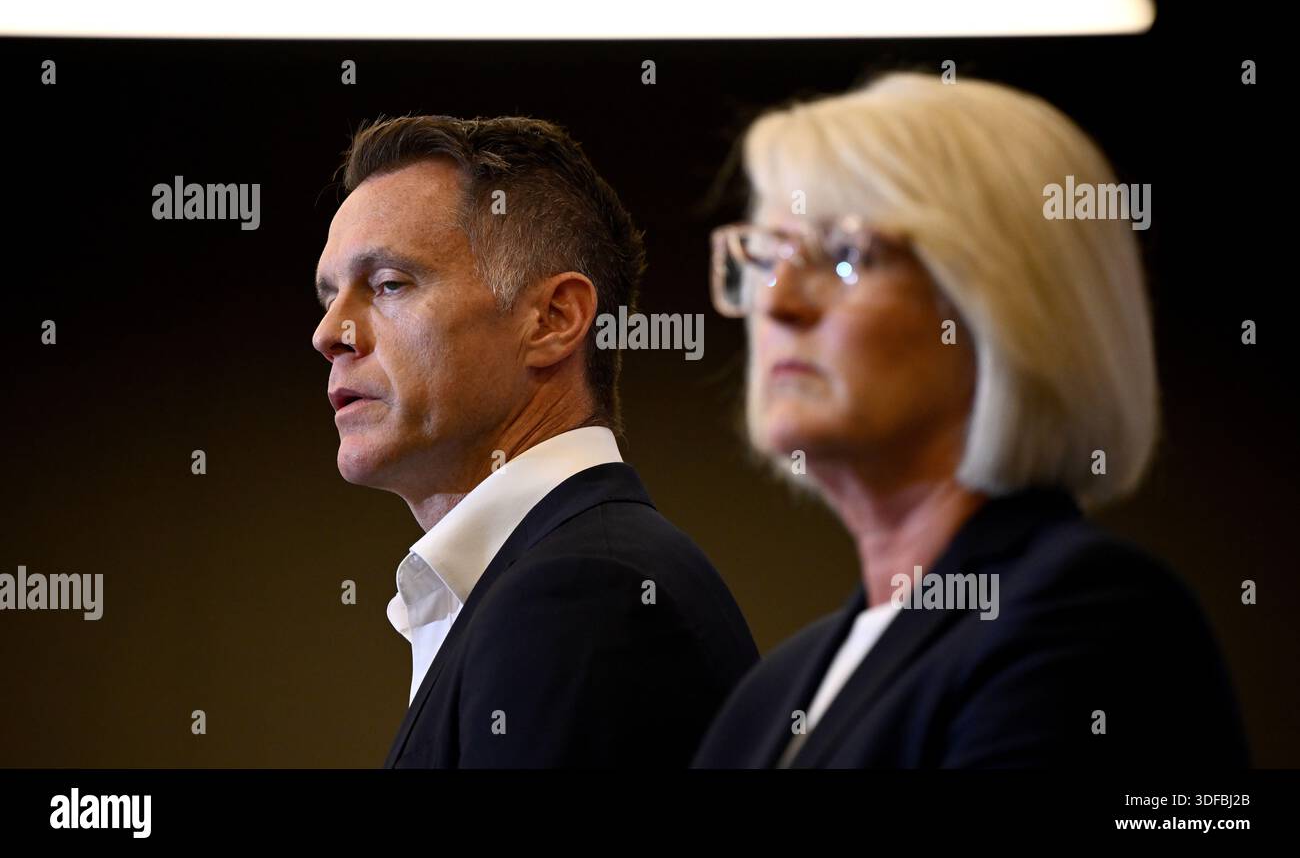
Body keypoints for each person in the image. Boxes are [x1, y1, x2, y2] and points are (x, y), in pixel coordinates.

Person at [692, 72, 1250, 768]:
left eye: (845, 255)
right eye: (767, 254)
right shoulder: (771, 694)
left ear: (1006, 307)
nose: (777, 303)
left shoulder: (1088, 621)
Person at [312, 114, 758, 767]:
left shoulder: (583, 598)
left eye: (387, 285)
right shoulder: (546, 579)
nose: (329, 334)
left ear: (552, 320)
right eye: (327, 297)